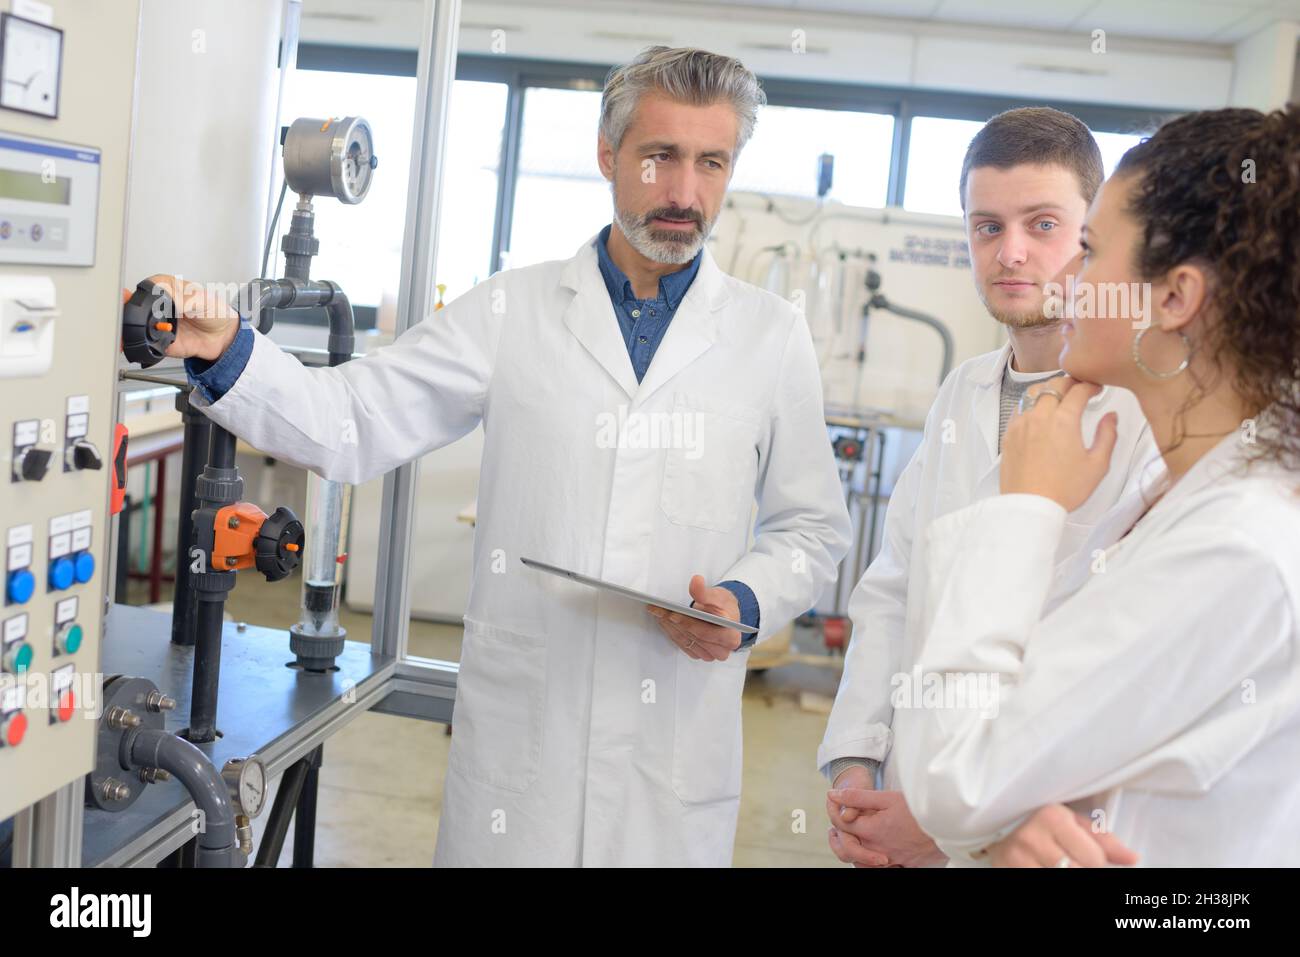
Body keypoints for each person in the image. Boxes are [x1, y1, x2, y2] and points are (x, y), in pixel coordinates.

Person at [158, 46, 851, 866]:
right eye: (660, 156)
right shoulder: (514, 309)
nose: (685, 193)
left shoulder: (770, 336)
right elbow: (353, 419)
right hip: (524, 767)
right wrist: (230, 350)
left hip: (669, 762)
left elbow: (812, 529)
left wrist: (743, 599)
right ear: (608, 153)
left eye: (712, 163)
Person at [894, 104, 1300, 866]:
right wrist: (1020, 827)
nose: (1068, 276)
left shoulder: (1240, 542)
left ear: (1174, 298)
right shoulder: (1182, 492)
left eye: (1090, 247)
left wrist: (1026, 508)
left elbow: (955, 775)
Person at [820, 107, 1157, 867]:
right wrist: (856, 763)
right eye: (986, 226)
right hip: (901, 798)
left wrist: (950, 822)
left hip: (1034, 829)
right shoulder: (961, 394)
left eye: (1043, 225)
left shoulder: (1137, 421)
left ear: (1093, 232)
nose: (1010, 253)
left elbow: (1114, 676)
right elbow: (892, 591)